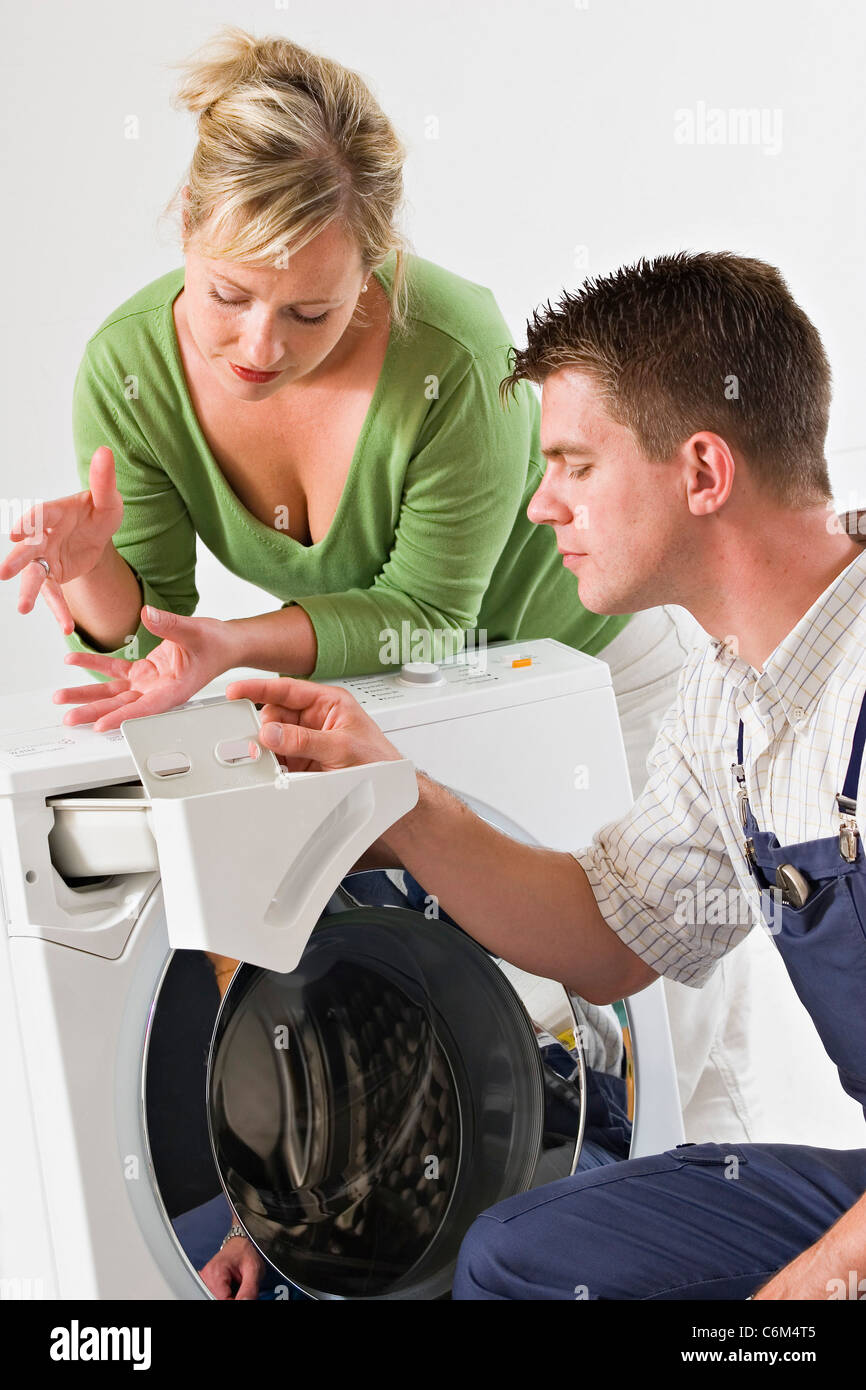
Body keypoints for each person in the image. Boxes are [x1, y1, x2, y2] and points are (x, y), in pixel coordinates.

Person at [225, 250, 866, 1300]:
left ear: (701, 472)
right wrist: (407, 800)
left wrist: (800, 1295)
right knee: (523, 1259)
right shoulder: (728, 701)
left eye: (573, 463)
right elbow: (609, 936)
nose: (539, 506)